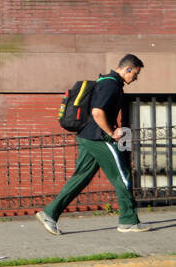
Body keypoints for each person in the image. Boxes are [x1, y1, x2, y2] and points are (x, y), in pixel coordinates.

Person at [36, 55, 151, 234]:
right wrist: (111, 132)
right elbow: (97, 112)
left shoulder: (106, 81)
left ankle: (49, 213)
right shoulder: (111, 84)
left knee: (81, 178)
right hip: (98, 139)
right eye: (135, 73)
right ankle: (128, 221)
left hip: (87, 137)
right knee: (122, 176)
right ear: (128, 69)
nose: (135, 78)